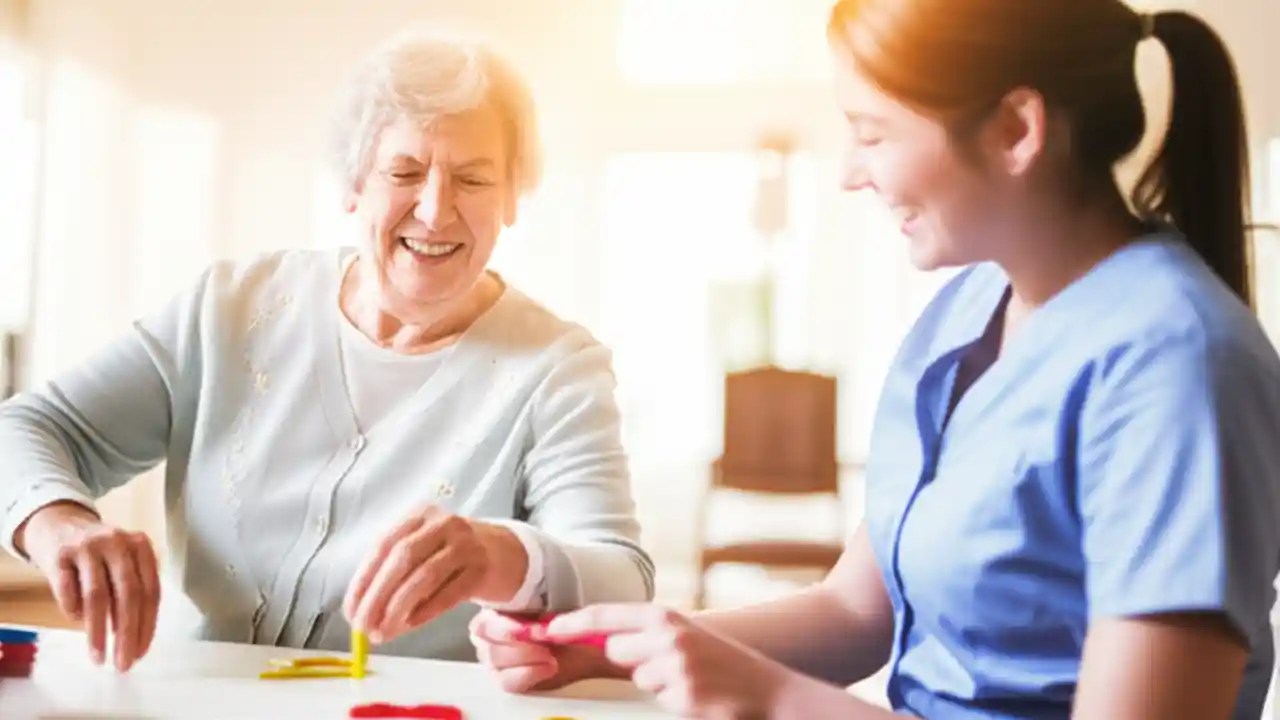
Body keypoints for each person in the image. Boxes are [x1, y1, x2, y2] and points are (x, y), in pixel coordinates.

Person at [471, 2, 1280, 718]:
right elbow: (860, 612)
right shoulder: (969, 309)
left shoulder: (1176, 368)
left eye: (873, 133)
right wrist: (622, 648)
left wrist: (769, 699)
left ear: (1015, 130)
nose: (853, 174)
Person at [0, 31, 653, 673]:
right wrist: (62, 523)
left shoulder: (558, 369)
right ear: (353, 186)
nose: (434, 211)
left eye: (474, 179)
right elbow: (25, 429)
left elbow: (623, 576)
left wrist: (501, 556)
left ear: (512, 197)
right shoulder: (230, 306)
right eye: (404, 172)